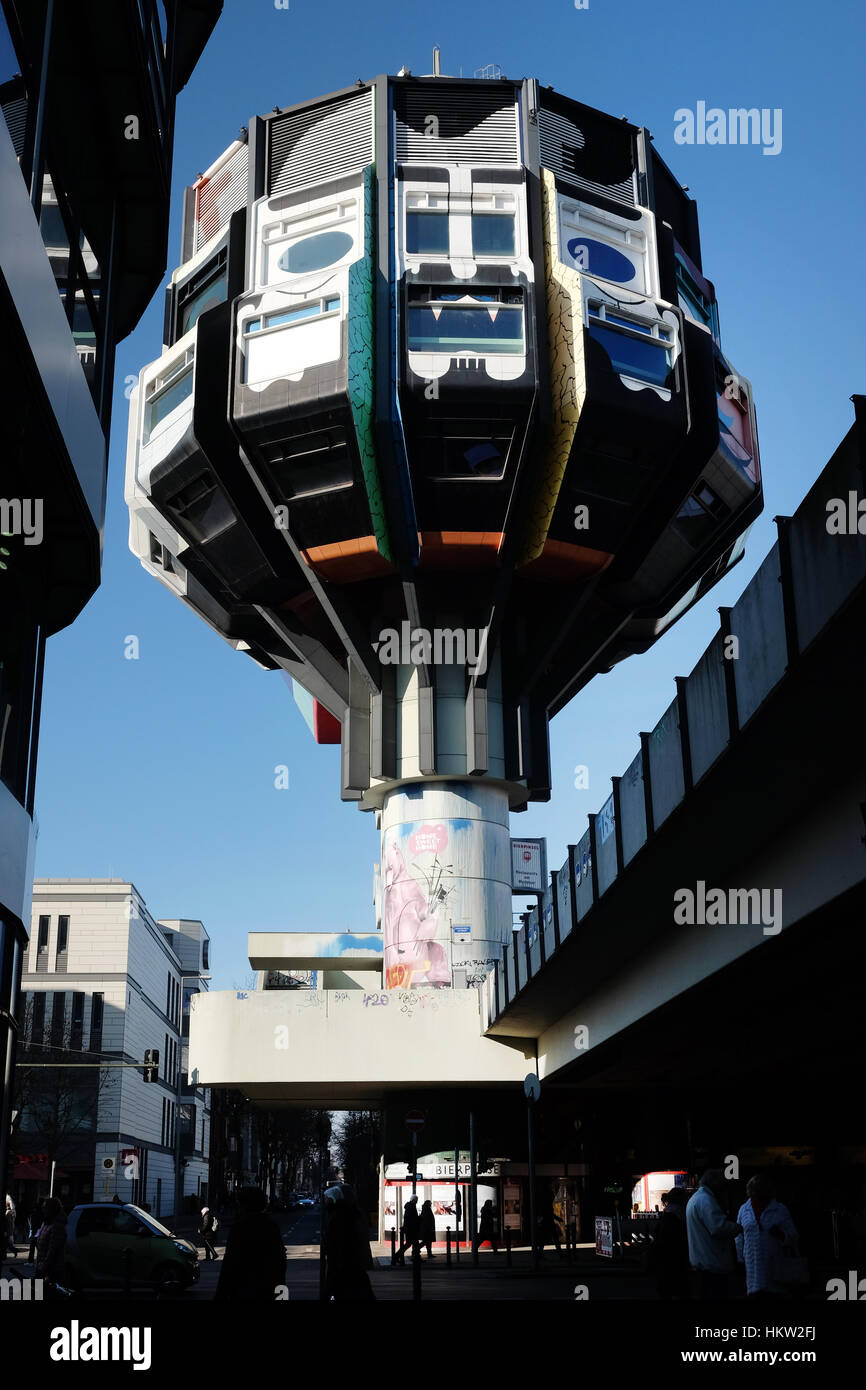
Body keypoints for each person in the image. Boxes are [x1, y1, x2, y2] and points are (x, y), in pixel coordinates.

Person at [215, 1188, 286, 1300]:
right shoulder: (271, 1226)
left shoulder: (239, 1228)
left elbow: (229, 1265)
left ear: (243, 1205)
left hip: (242, 1289)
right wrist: (282, 1294)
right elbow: (280, 1263)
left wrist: (221, 1294)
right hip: (267, 1288)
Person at [736, 1175, 800, 1297]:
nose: (757, 1195)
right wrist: (740, 1259)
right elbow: (739, 1237)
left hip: (776, 1269)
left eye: (760, 1191)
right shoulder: (744, 1210)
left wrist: (781, 1235)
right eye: (754, 1191)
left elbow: (793, 1236)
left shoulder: (780, 1209)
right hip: (752, 1267)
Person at [686, 1170, 741, 1299]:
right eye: (721, 1183)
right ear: (714, 1183)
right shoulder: (706, 1200)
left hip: (702, 1265)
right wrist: (738, 1227)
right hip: (712, 1265)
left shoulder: (696, 1199)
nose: (723, 1187)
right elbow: (718, 1227)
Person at [323, 1184, 375, 1300]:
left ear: (334, 1199)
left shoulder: (339, 1217)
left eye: (327, 1199)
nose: (325, 1202)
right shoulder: (353, 1213)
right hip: (353, 1267)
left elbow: (338, 1247)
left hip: (344, 1269)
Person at [649, 1188, 690, 1299]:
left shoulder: (666, 1215)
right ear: (681, 1200)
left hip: (664, 1266)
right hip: (674, 1265)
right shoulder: (677, 1217)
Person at [35, 1198, 67, 1293]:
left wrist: (44, 1266)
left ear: (51, 1209)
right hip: (41, 1265)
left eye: (45, 1207)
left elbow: (53, 1249)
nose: (43, 1209)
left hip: (51, 1269)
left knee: (45, 1294)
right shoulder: (46, 1222)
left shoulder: (57, 1225)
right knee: (36, 1293)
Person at [393, 1194, 419, 1265]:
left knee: (412, 1244)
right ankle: (396, 1257)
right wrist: (419, 1219)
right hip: (411, 1229)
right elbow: (412, 1218)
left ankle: (396, 1257)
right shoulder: (411, 1207)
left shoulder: (409, 1206)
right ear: (413, 1200)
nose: (417, 1201)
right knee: (410, 1244)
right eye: (416, 1200)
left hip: (409, 1229)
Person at [5, 1193, 16, 1258]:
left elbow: (8, 1223)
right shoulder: (11, 1213)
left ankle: (14, 1251)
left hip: (8, 1230)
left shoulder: (8, 1213)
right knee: (7, 1244)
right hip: (9, 1230)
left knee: (8, 1244)